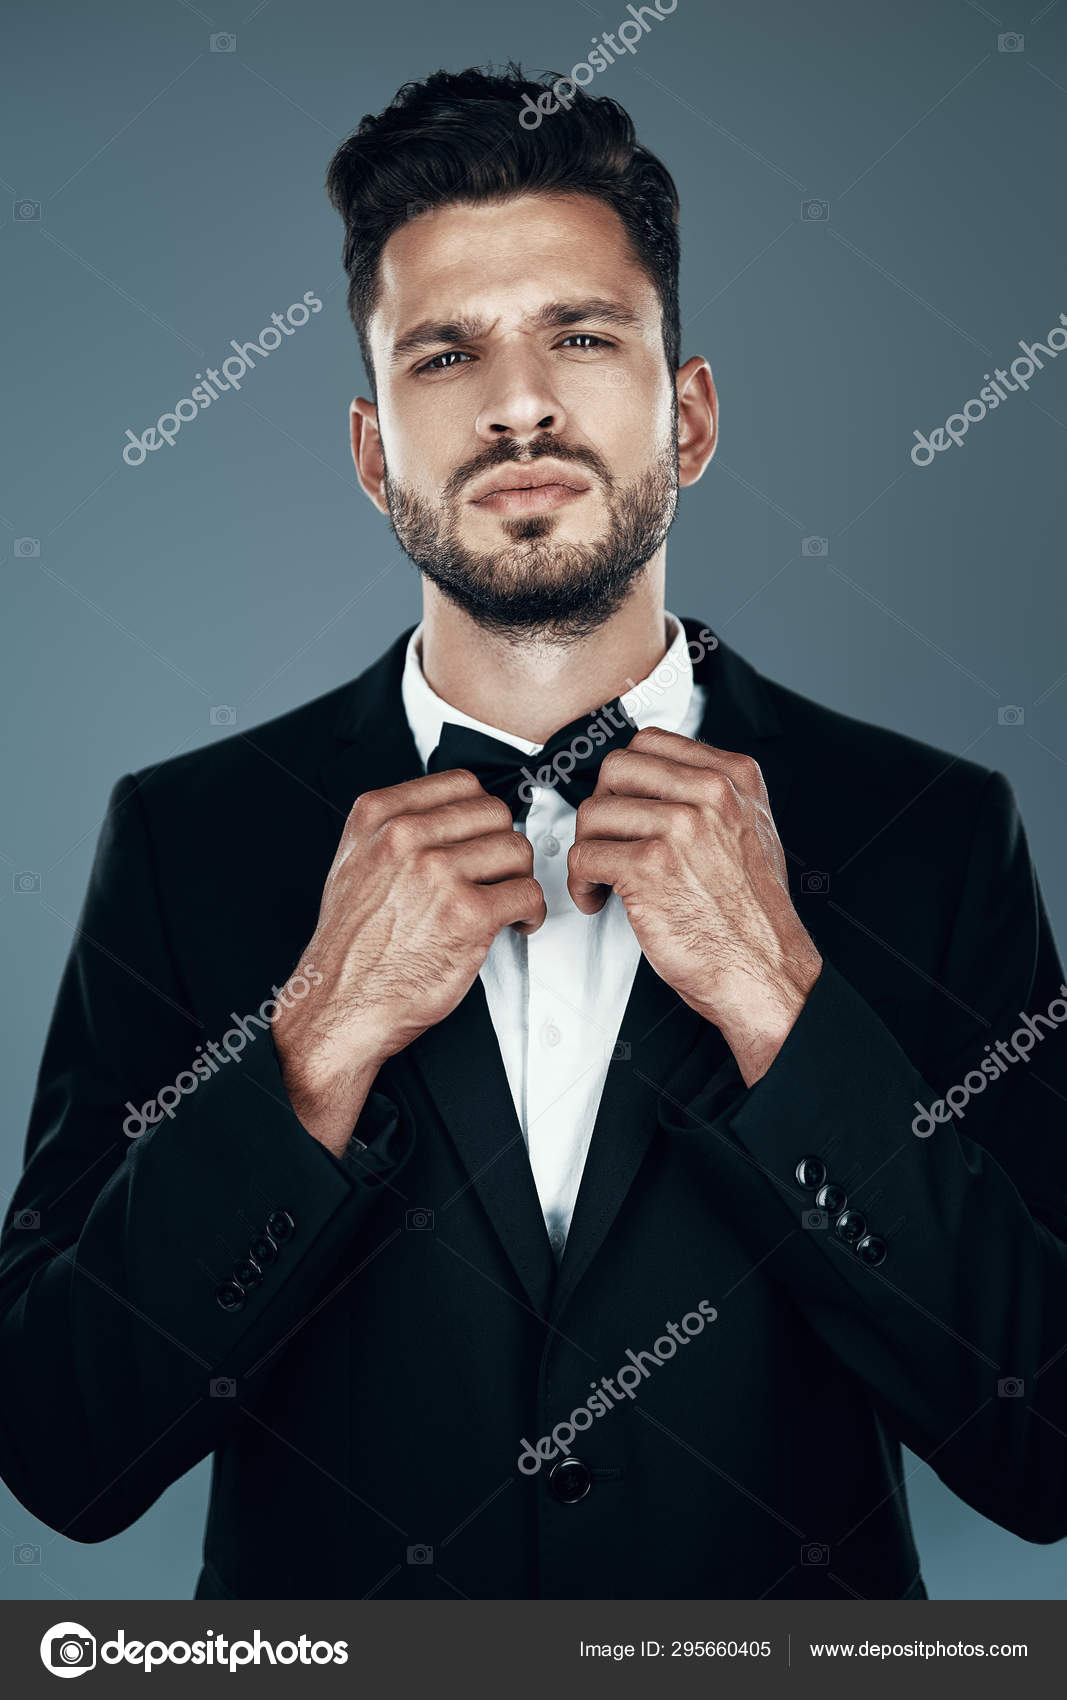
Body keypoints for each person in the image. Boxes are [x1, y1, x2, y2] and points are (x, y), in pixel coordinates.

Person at [2, 65, 1066, 1602]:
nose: (519, 401)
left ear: (687, 414)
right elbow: (64, 1453)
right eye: (447, 354)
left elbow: (1045, 1452)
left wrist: (788, 1010)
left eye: (581, 334)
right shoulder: (189, 838)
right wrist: (314, 1041)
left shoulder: (937, 833)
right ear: (375, 455)